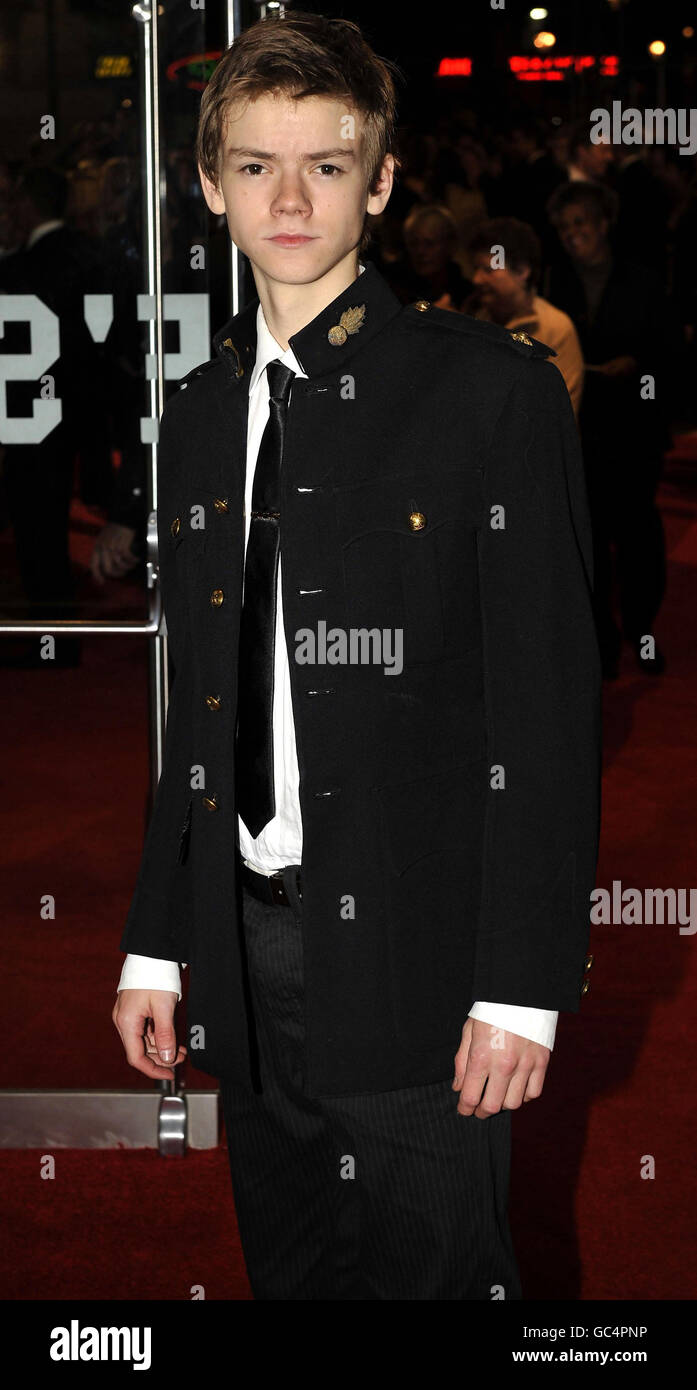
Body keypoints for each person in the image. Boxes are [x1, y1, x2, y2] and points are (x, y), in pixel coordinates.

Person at [113, 11, 601, 1301]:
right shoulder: (203, 414)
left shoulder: (489, 395)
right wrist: (158, 944)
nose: (288, 196)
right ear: (209, 183)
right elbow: (199, 709)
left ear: (379, 184)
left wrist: (523, 985)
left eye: (325, 165)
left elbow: (547, 712)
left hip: (423, 960)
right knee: (294, 1274)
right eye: (256, 164)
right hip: (247, 950)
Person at [545, 180, 674, 676]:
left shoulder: (642, 281)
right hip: (580, 429)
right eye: (565, 227)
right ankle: (601, 641)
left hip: (635, 429)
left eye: (582, 224)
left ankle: (642, 630)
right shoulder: (555, 284)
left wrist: (637, 367)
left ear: (603, 224)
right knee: (588, 539)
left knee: (638, 534)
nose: (575, 235)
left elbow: (670, 356)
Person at [468, 216, 584, 418]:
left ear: (522, 270)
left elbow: (558, 416)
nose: (477, 279)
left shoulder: (555, 327)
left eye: (488, 270)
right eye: (475, 269)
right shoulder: (475, 319)